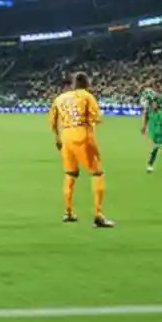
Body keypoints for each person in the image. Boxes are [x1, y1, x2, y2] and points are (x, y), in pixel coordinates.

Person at [50, 72, 114, 228]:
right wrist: (100, 115)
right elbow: (96, 118)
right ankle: (98, 215)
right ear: (86, 83)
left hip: (66, 136)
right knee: (97, 173)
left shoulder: (60, 98)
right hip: (82, 135)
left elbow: (52, 122)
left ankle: (69, 212)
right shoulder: (86, 96)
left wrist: (57, 138)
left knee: (70, 174)